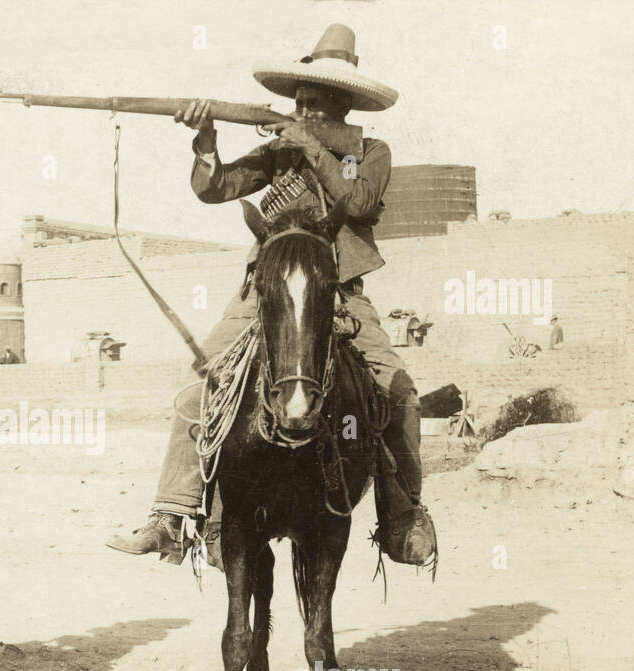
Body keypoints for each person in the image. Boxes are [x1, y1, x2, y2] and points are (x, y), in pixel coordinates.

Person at [107, 24, 435, 569]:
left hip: (338, 291)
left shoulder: (367, 152)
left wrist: (308, 145)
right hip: (266, 289)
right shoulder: (280, 154)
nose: (302, 109)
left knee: (398, 392)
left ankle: (402, 518)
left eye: (315, 103)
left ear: (342, 106)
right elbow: (217, 189)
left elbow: (354, 202)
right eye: (299, 101)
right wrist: (207, 143)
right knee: (199, 386)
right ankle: (174, 515)